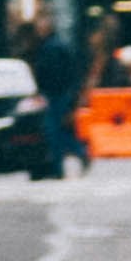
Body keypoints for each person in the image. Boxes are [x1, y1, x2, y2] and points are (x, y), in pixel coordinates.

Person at [27, 16, 86, 178]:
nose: (39, 32)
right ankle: (80, 153)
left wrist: (44, 89)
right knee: (63, 131)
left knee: (54, 132)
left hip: (56, 95)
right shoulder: (55, 46)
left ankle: (59, 167)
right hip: (59, 94)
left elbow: (55, 73)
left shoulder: (51, 48)